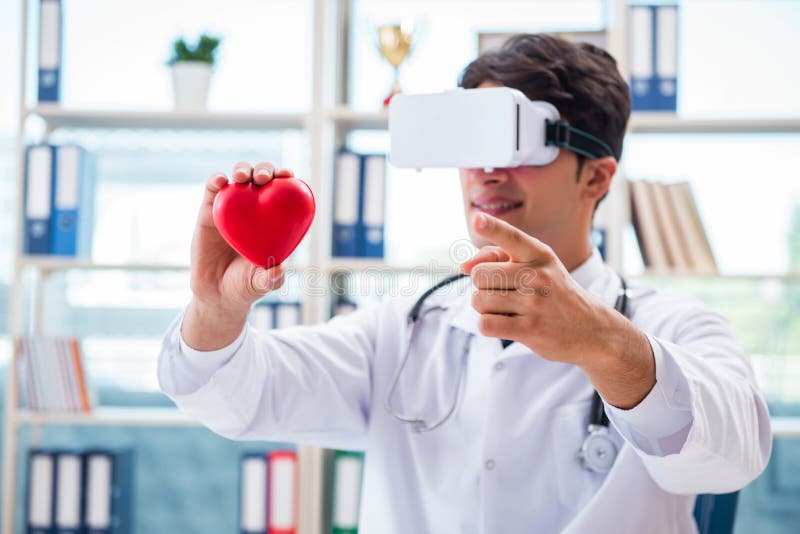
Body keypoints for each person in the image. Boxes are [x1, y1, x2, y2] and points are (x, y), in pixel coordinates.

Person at [157, 34, 771, 533]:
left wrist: (603, 345)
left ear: (597, 179)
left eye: (519, 140)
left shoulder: (675, 326)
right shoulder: (404, 327)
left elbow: (731, 455)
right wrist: (215, 308)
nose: (488, 168)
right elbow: (238, 396)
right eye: (473, 140)